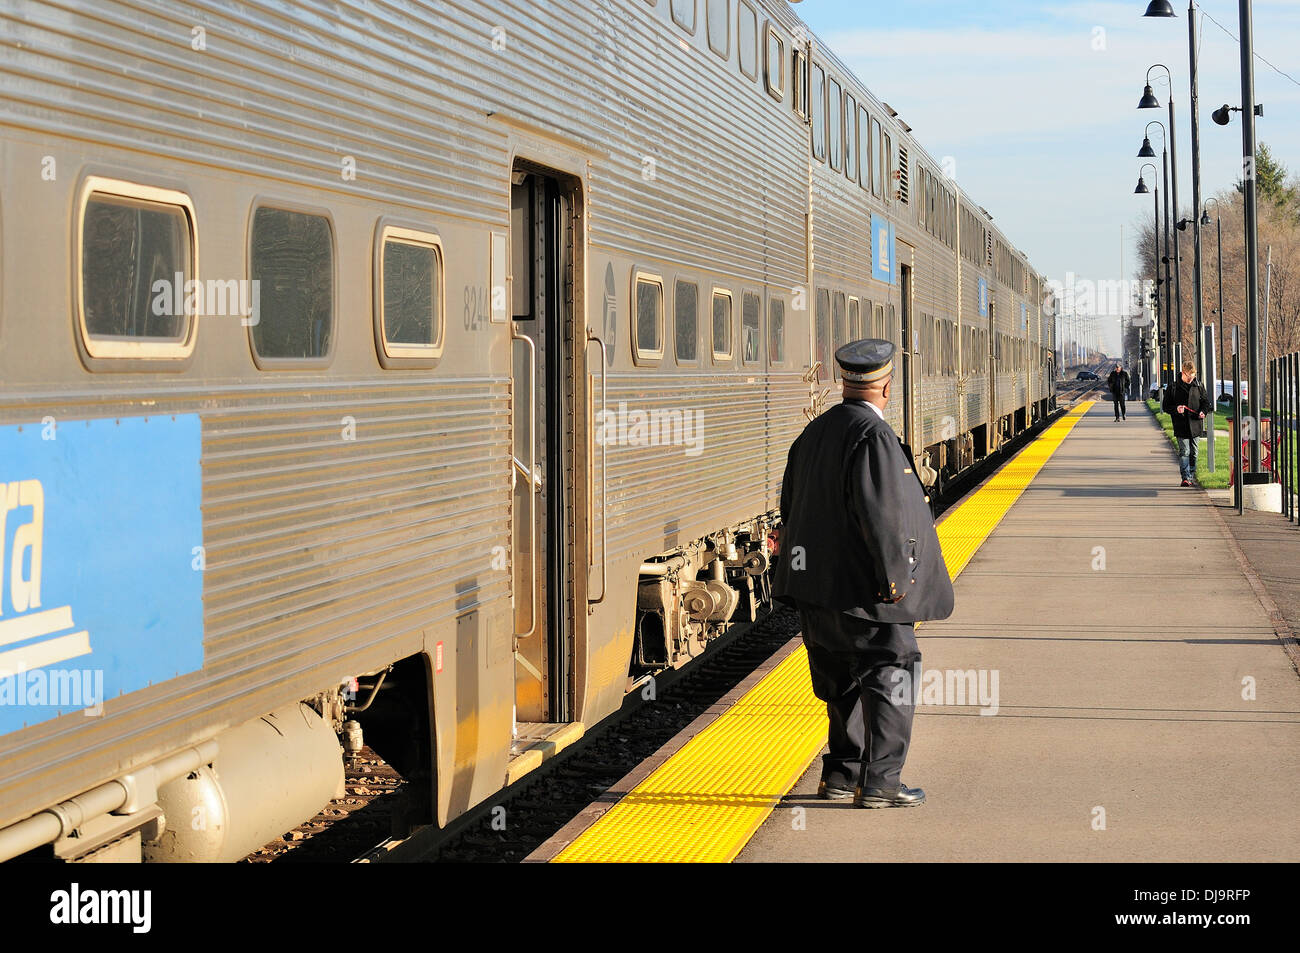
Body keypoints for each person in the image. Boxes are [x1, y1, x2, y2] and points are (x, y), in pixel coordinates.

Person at [772, 339, 954, 809]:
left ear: (846, 383)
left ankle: (841, 774)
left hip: (818, 591)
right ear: (887, 387)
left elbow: (788, 509)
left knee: (843, 680)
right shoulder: (873, 437)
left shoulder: (812, 435)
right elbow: (885, 517)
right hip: (865, 592)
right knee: (893, 672)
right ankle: (882, 782)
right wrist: (896, 583)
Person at [1161, 360, 1213, 487]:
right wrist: (1176, 409)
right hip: (1181, 425)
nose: (1191, 379)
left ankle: (1191, 473)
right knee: (1185, 451)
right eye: (1189, 377)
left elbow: (1206, 403)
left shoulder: (1199, 386)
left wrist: (1203, 412)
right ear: (1183, 373)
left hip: (1196, 424)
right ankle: (1186, 477)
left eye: (1193, 376)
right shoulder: (1173, 387)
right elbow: (1166, 406)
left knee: (1194, 451)